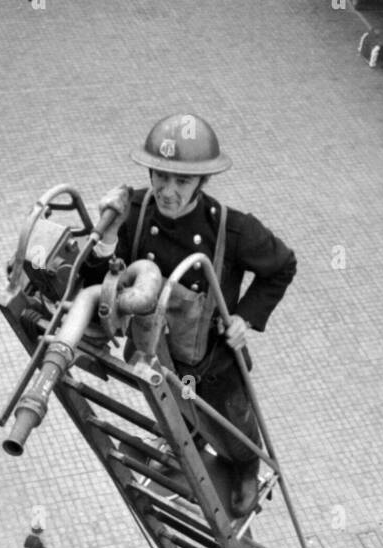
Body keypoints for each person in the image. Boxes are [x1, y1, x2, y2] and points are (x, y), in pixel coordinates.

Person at [83, 114, 297, 518]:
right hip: (157, 356)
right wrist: (108, 237)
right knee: (176, 410)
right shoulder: (133, 211)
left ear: (202, 182)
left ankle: (246, 469)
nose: (167, 191)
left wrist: (244, 318)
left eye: (181, 182)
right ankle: (188, 443)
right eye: (160, 177)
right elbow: (98, 282)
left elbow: (283, 266)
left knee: (234, 426)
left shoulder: (234, 231)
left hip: (214, 364)